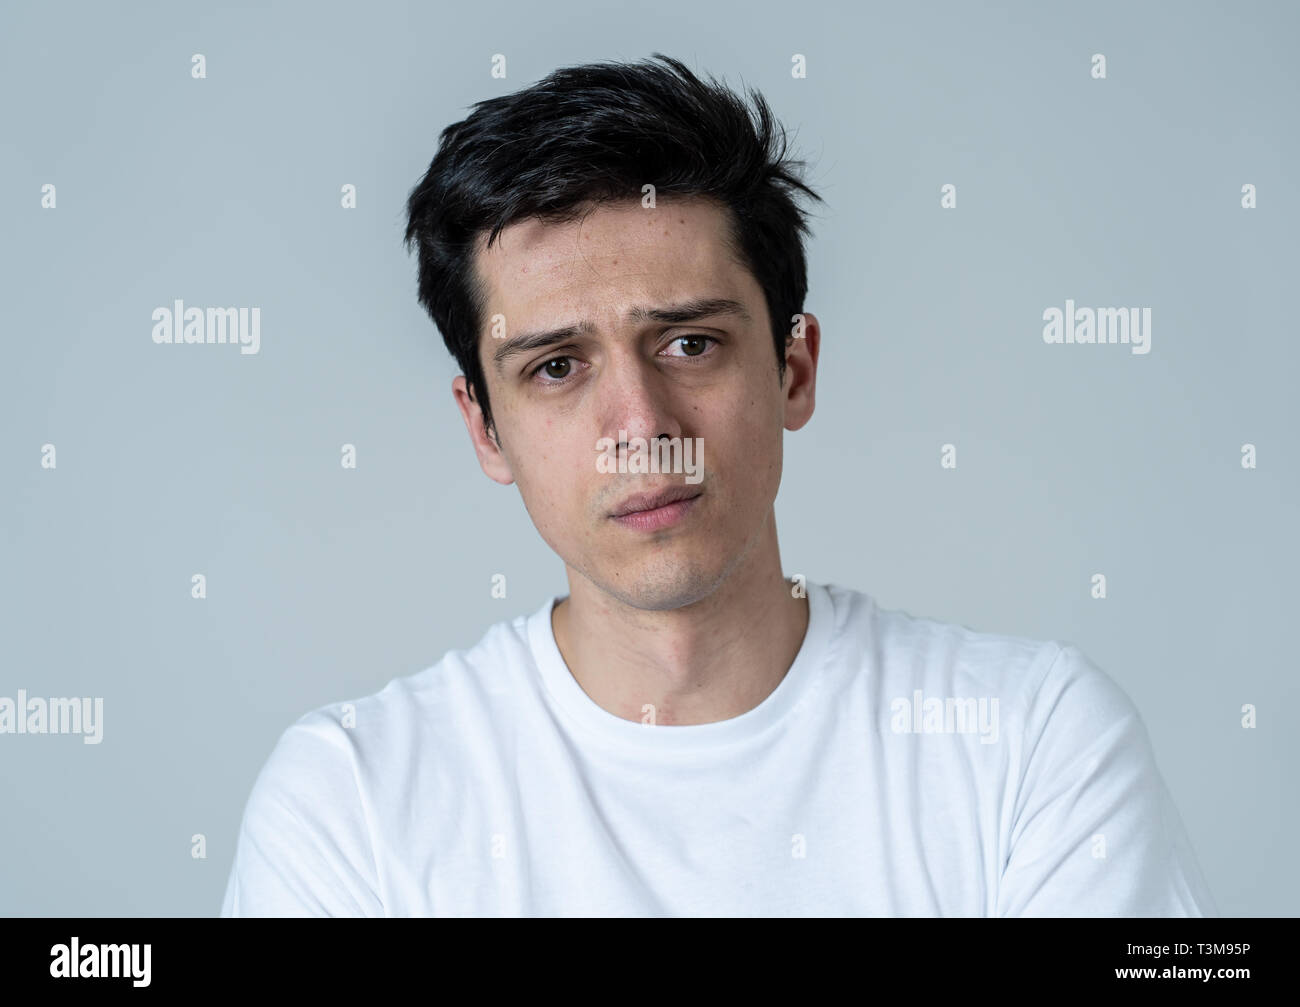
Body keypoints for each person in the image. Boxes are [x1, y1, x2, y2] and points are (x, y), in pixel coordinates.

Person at [220, 53, 1216, 917]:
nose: (642, 428)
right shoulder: (350, 798)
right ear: (484, 426)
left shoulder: (1030, 744)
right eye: (556, 367)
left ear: (792, 369)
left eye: (689, 342)